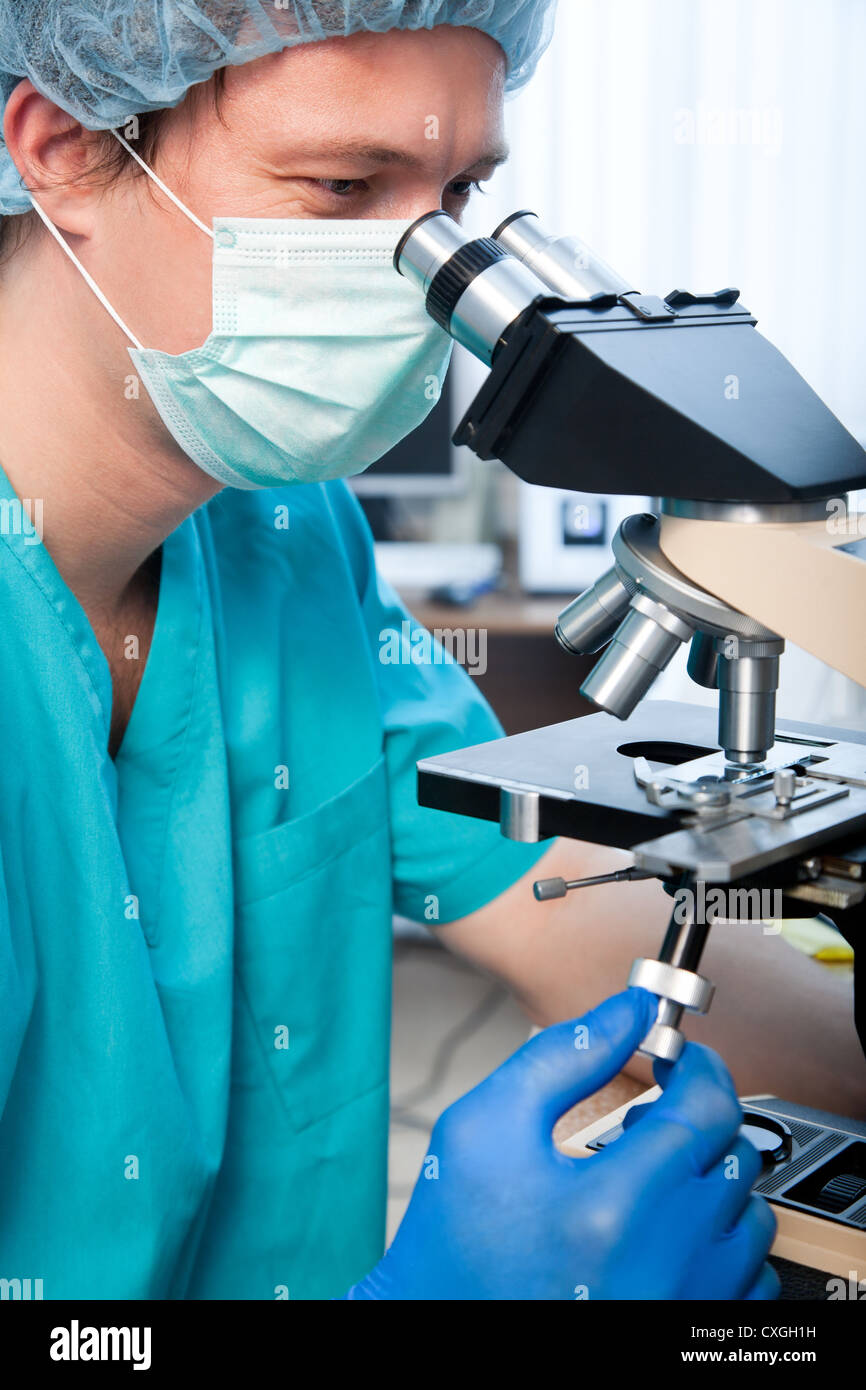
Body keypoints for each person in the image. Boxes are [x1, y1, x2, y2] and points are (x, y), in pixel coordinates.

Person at [0, 0, 859, 1301]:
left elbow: (563, 894)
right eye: (345, 186)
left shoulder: (283, 535)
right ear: (61, 146)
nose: (418, 265)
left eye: (458, 192)